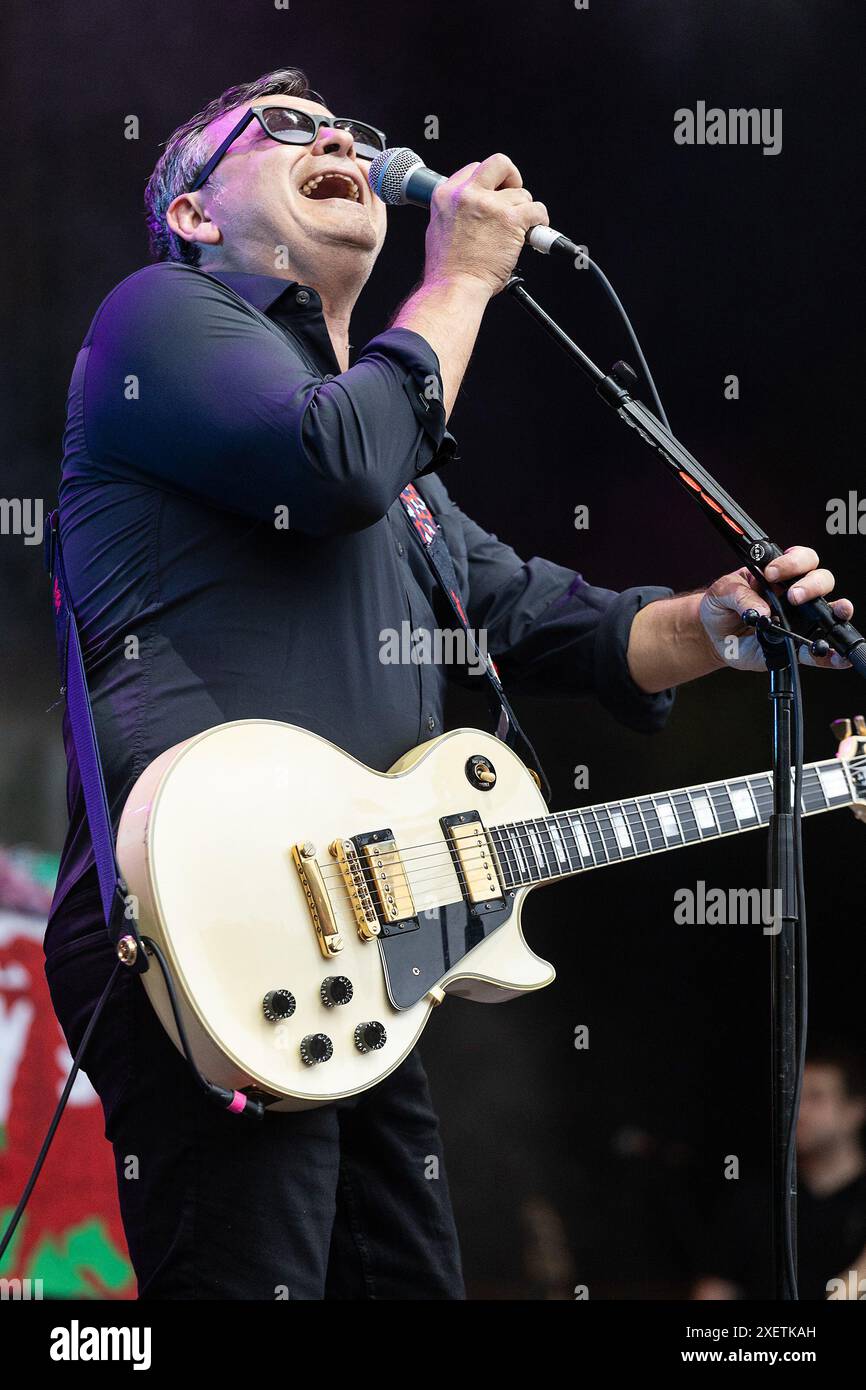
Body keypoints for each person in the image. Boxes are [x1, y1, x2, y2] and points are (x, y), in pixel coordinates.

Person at [43, 66, 854, 1300]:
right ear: (199, 215)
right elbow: (330, 461)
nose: (334, 141)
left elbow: (541, 614)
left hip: (350, 957)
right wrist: (463, 276)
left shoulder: (401, 475)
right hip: (205, 922)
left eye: (346, 129)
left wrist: (716, 623)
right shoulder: (159, 315)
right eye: (280, 131)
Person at [692, 1047, 866, 1300]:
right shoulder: (753, 1198)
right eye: (794, 1097)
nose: (799, 1111)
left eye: (815, 1098)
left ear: (856, 1109)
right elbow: (713, 1291)